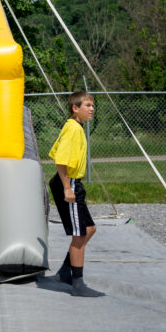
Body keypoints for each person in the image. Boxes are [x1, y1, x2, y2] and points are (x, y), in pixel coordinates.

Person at [48, 91, 104, 297]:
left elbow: (56, 151)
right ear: (75, 108)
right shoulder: (72, 129)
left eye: (92, 105)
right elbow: (60, 160)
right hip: (68, 183)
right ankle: (77, 284)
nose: (92, 108)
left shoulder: (75, 128)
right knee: (79, 234)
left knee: (89, 229)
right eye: (87, 105)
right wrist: (67, 188)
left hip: (73, 182)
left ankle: (65, 271)